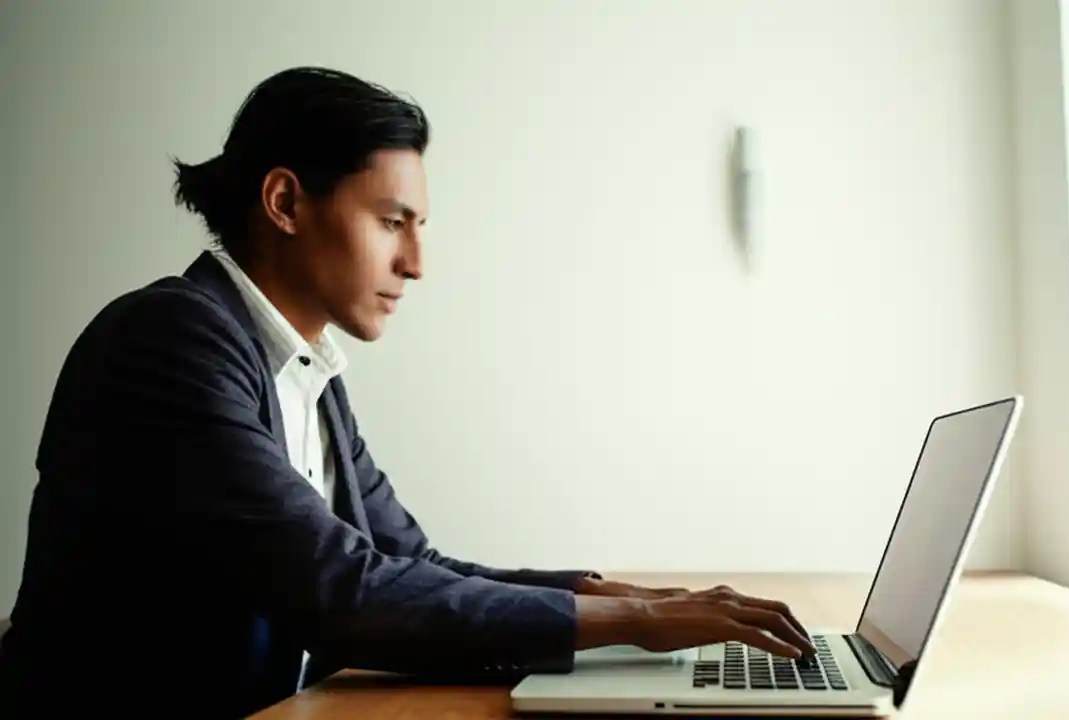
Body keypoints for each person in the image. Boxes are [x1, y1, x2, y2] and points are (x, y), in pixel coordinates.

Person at [0, 66, 813, 717]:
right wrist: (635, 626)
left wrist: (620, 596)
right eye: (393, 222)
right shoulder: (171, 340)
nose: (416, 263)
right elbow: (344, 592)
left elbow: (406, 563)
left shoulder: (305, 371)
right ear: (285, 202)